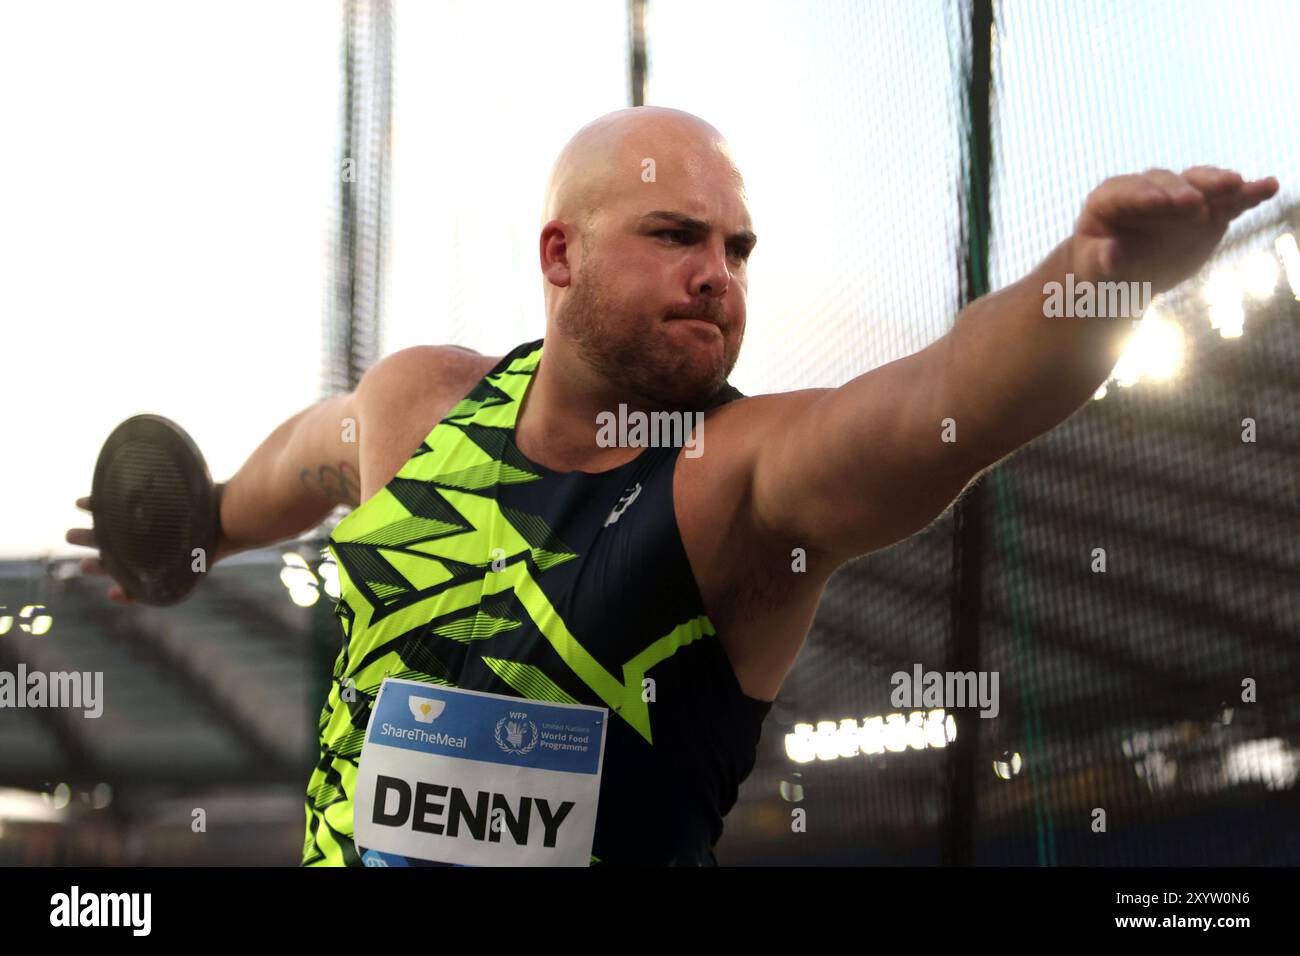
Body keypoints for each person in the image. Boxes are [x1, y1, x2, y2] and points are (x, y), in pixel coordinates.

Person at [68, 106, 1278, 866]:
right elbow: (294, 464)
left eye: (737, 249)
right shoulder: (419, 408)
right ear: (560, 254)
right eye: (675, 235)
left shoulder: (733, 486)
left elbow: (932, 412)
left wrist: (1094, 280)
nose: (717, 274)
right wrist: (202, 529)